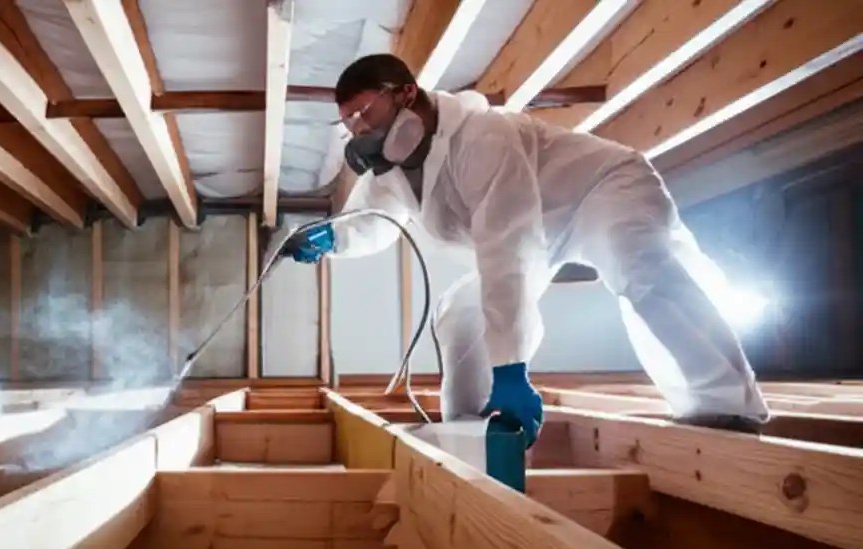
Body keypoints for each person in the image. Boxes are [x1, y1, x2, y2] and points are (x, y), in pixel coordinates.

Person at [282, 53, 769, 446]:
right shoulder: (391, 170)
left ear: (406, 93)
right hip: (538, 232)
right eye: (350, 123)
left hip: (596, 191)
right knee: (460, 315)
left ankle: (725, 406)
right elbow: (374, 221)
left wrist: (511, 368)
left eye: (366, 113)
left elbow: (506, 248)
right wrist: (335, 237)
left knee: (640, 268)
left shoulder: (481, 137)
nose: (360, 130)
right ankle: (471, 425)